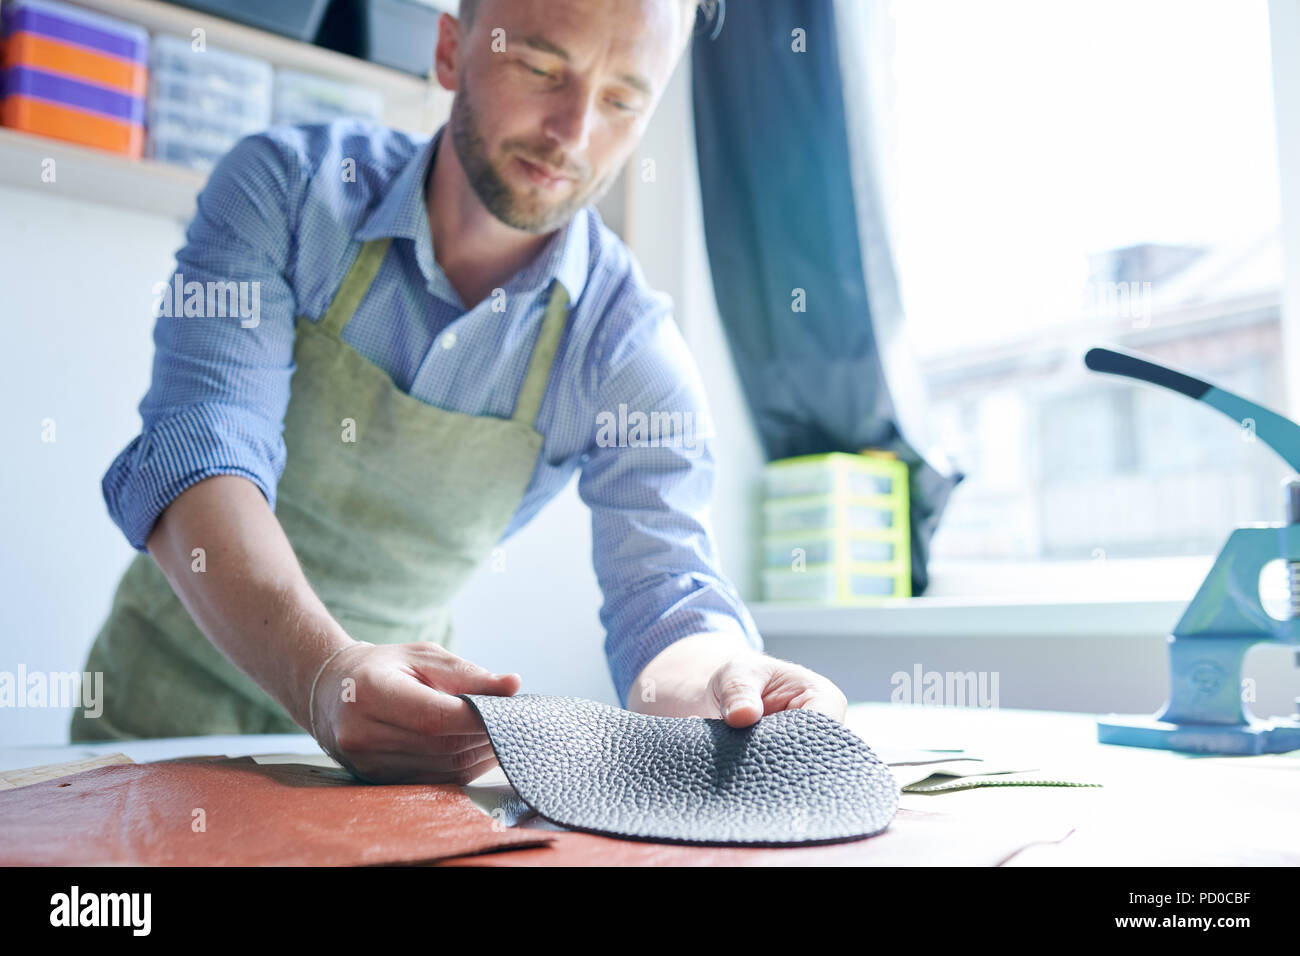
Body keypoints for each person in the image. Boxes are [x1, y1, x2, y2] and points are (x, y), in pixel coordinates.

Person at [71, 0, 848, 783]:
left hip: (384, 761)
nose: (573, 133)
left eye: (621, 100)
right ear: (450, 51)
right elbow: (202, 449)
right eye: (542, 69)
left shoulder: (630, 355)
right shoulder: (287, 192)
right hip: (155, 732)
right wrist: (325, 674)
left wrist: (728, 683)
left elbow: (664, 595)